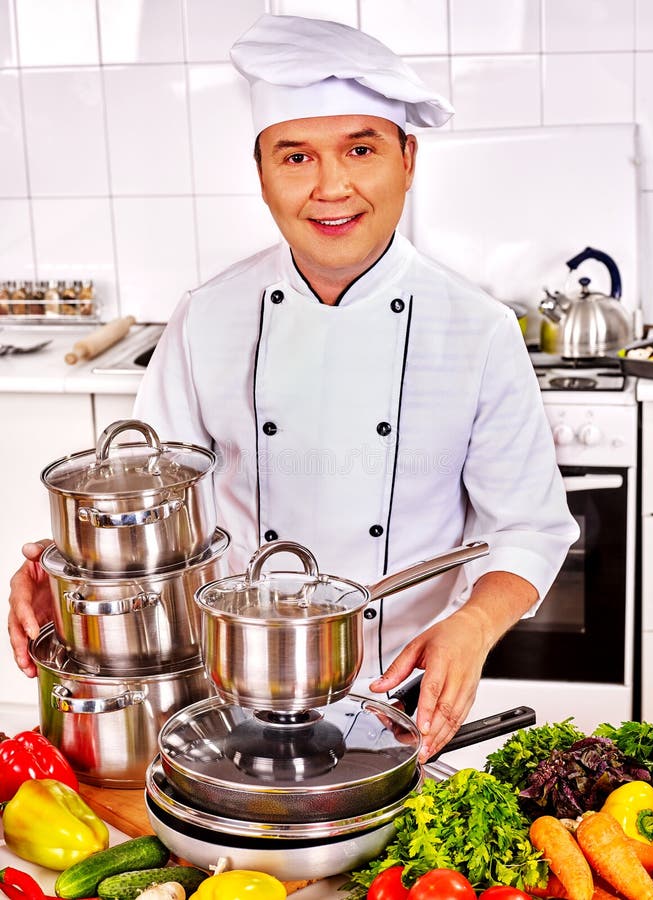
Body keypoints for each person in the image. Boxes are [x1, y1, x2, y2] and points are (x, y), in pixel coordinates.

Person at [7, 14, 578, 764]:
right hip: (225, 702)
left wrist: (472, 625)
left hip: (402, 698)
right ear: (261, 173)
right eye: (296, 156)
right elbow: (156, 511)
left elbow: (529, 528)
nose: (331, 187)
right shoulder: (206, 319)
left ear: (408, 159)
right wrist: (74, 579)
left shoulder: (478, 330)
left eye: (360, 150)